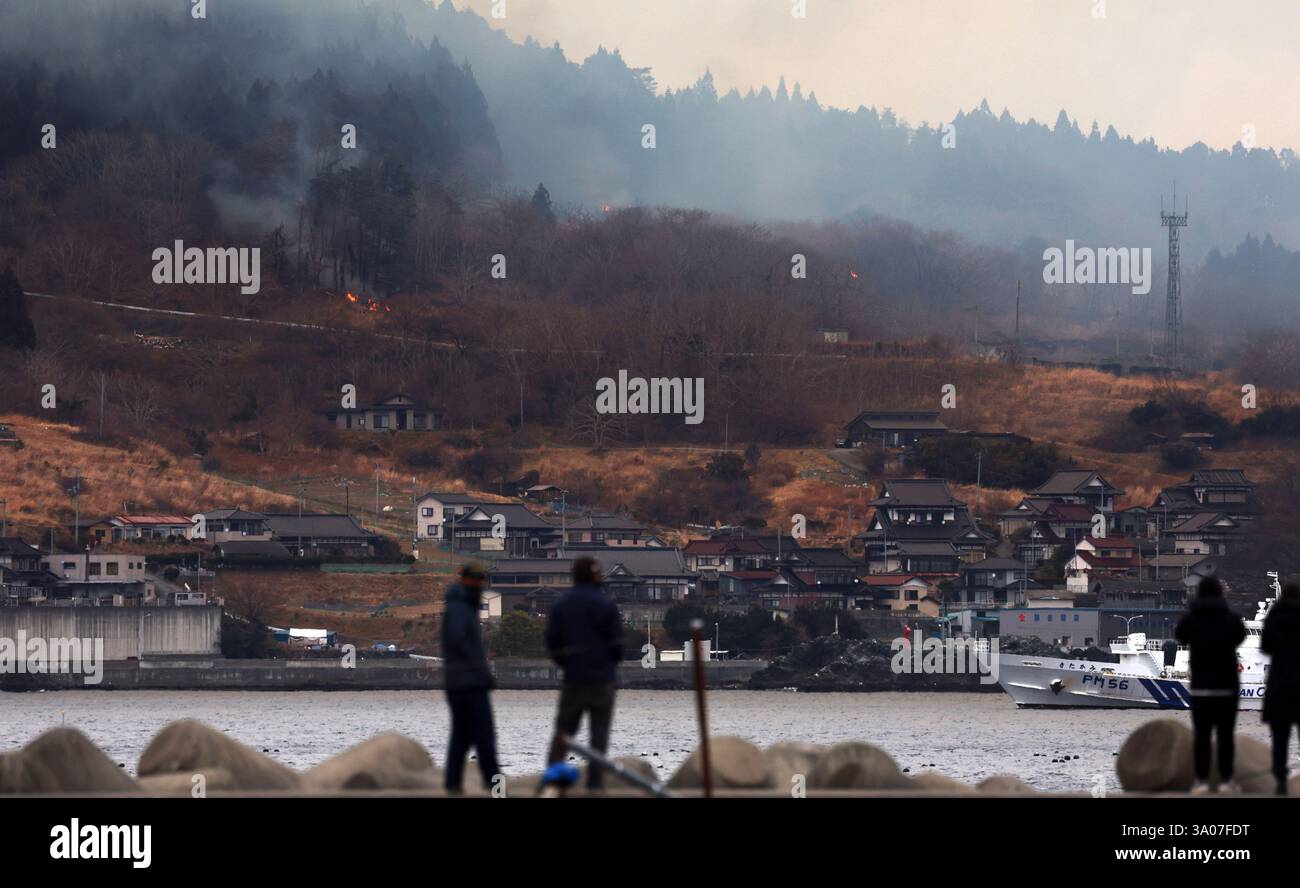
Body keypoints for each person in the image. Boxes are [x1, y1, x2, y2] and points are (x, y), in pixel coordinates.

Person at [545, 556, 623, 790]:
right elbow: (618, 647)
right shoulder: (607, 605)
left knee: (563, 732)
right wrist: (605, 664)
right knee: (598, 736)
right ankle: (595, 785)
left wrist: (568, 664)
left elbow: (552, 644)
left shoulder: (561, 605)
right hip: (602, 681)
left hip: (574, 679)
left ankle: (552, 783)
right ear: (597, 577)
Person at [1174, 575, 1247, 793]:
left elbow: (1180, 637)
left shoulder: (1191, 618)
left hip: (1201, 686)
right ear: (1220, 593)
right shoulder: (1231, 617)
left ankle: (1201, 780)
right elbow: (1239, 637)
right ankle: (1226, 780)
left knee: (1202, 736)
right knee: (1226, 736)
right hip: (1227, 686)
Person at [441, 563, 500, 793]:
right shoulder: (461, 608)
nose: (479, 584)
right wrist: (481, 671)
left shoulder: (461, 606)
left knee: (461, 738)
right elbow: (459, 641)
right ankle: (496, 788)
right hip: (469, 683)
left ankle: (453, 786)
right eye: (476, 579)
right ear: (465, 580)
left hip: (459, 683)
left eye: (481, 579)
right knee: (485, 737)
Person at [1262, 583, 1300, 795]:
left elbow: (1266, 647)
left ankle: (1279, 779)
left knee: (1280, 736)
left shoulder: (1274, 618)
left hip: (1279, 682)